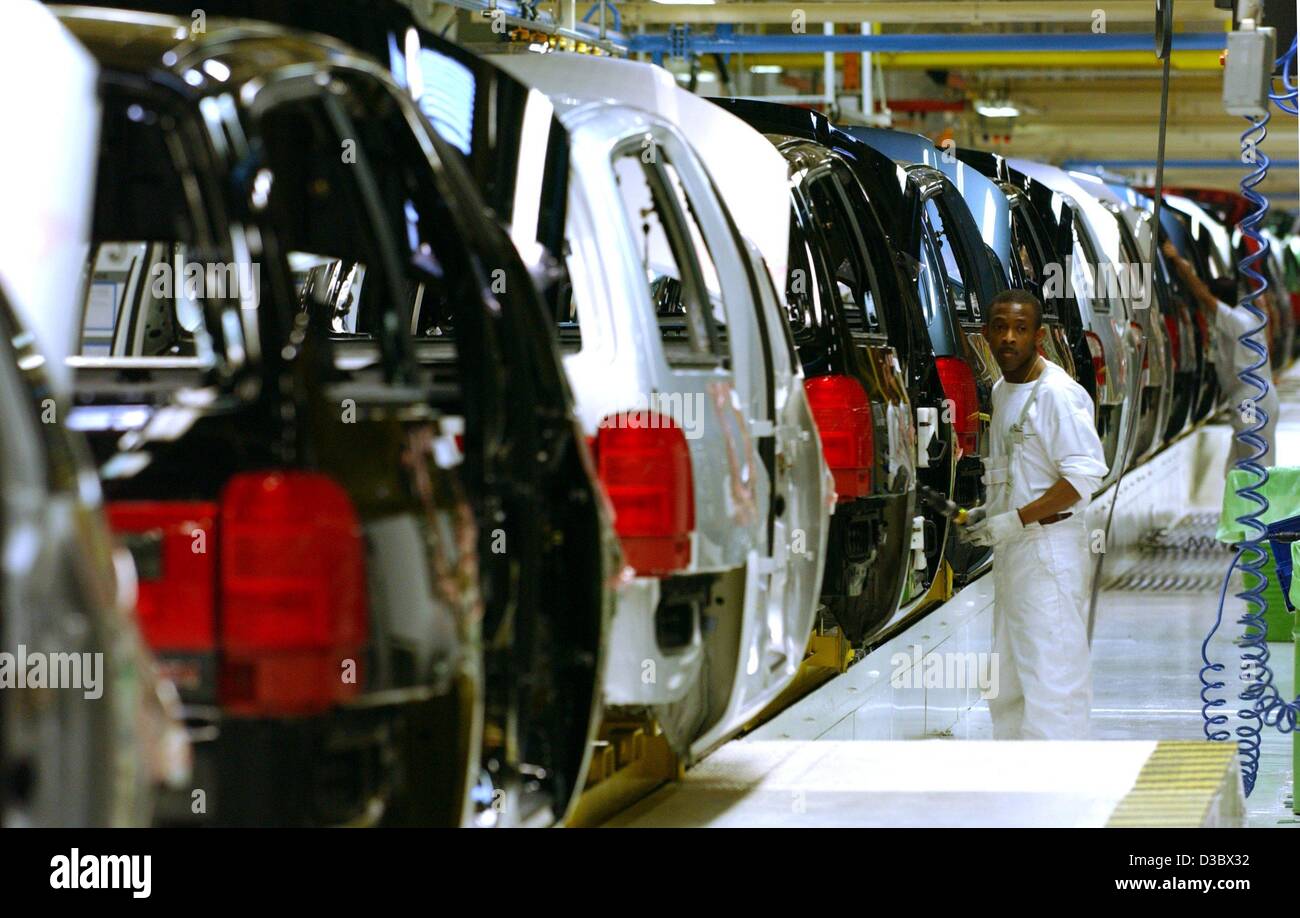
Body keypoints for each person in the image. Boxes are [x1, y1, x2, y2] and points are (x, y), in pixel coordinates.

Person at [958, 289, 1109, 739]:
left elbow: (1084, 477)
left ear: (1038, 336)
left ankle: (1055, 792)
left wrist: (1018, 518)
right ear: (985, 334)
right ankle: (1016, 784)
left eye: (1020, 329)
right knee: (1007, 681)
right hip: (1015, 555)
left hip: (1050, 555)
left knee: (1052, 678)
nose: (1009, 338)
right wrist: (993, 512)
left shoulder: (1058, 395)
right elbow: (1022, 469)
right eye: (999, 328)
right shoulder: (1004, 390)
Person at [1162, 240, 1278, 474]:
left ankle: (1253, 505)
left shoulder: (1235, 320)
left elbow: (1203, 295)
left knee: (1251, 456)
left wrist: (1177, 261)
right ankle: (1244, 503)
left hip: (1249, 401)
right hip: (1264, 396)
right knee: (1245, 457)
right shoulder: (1250, 317)